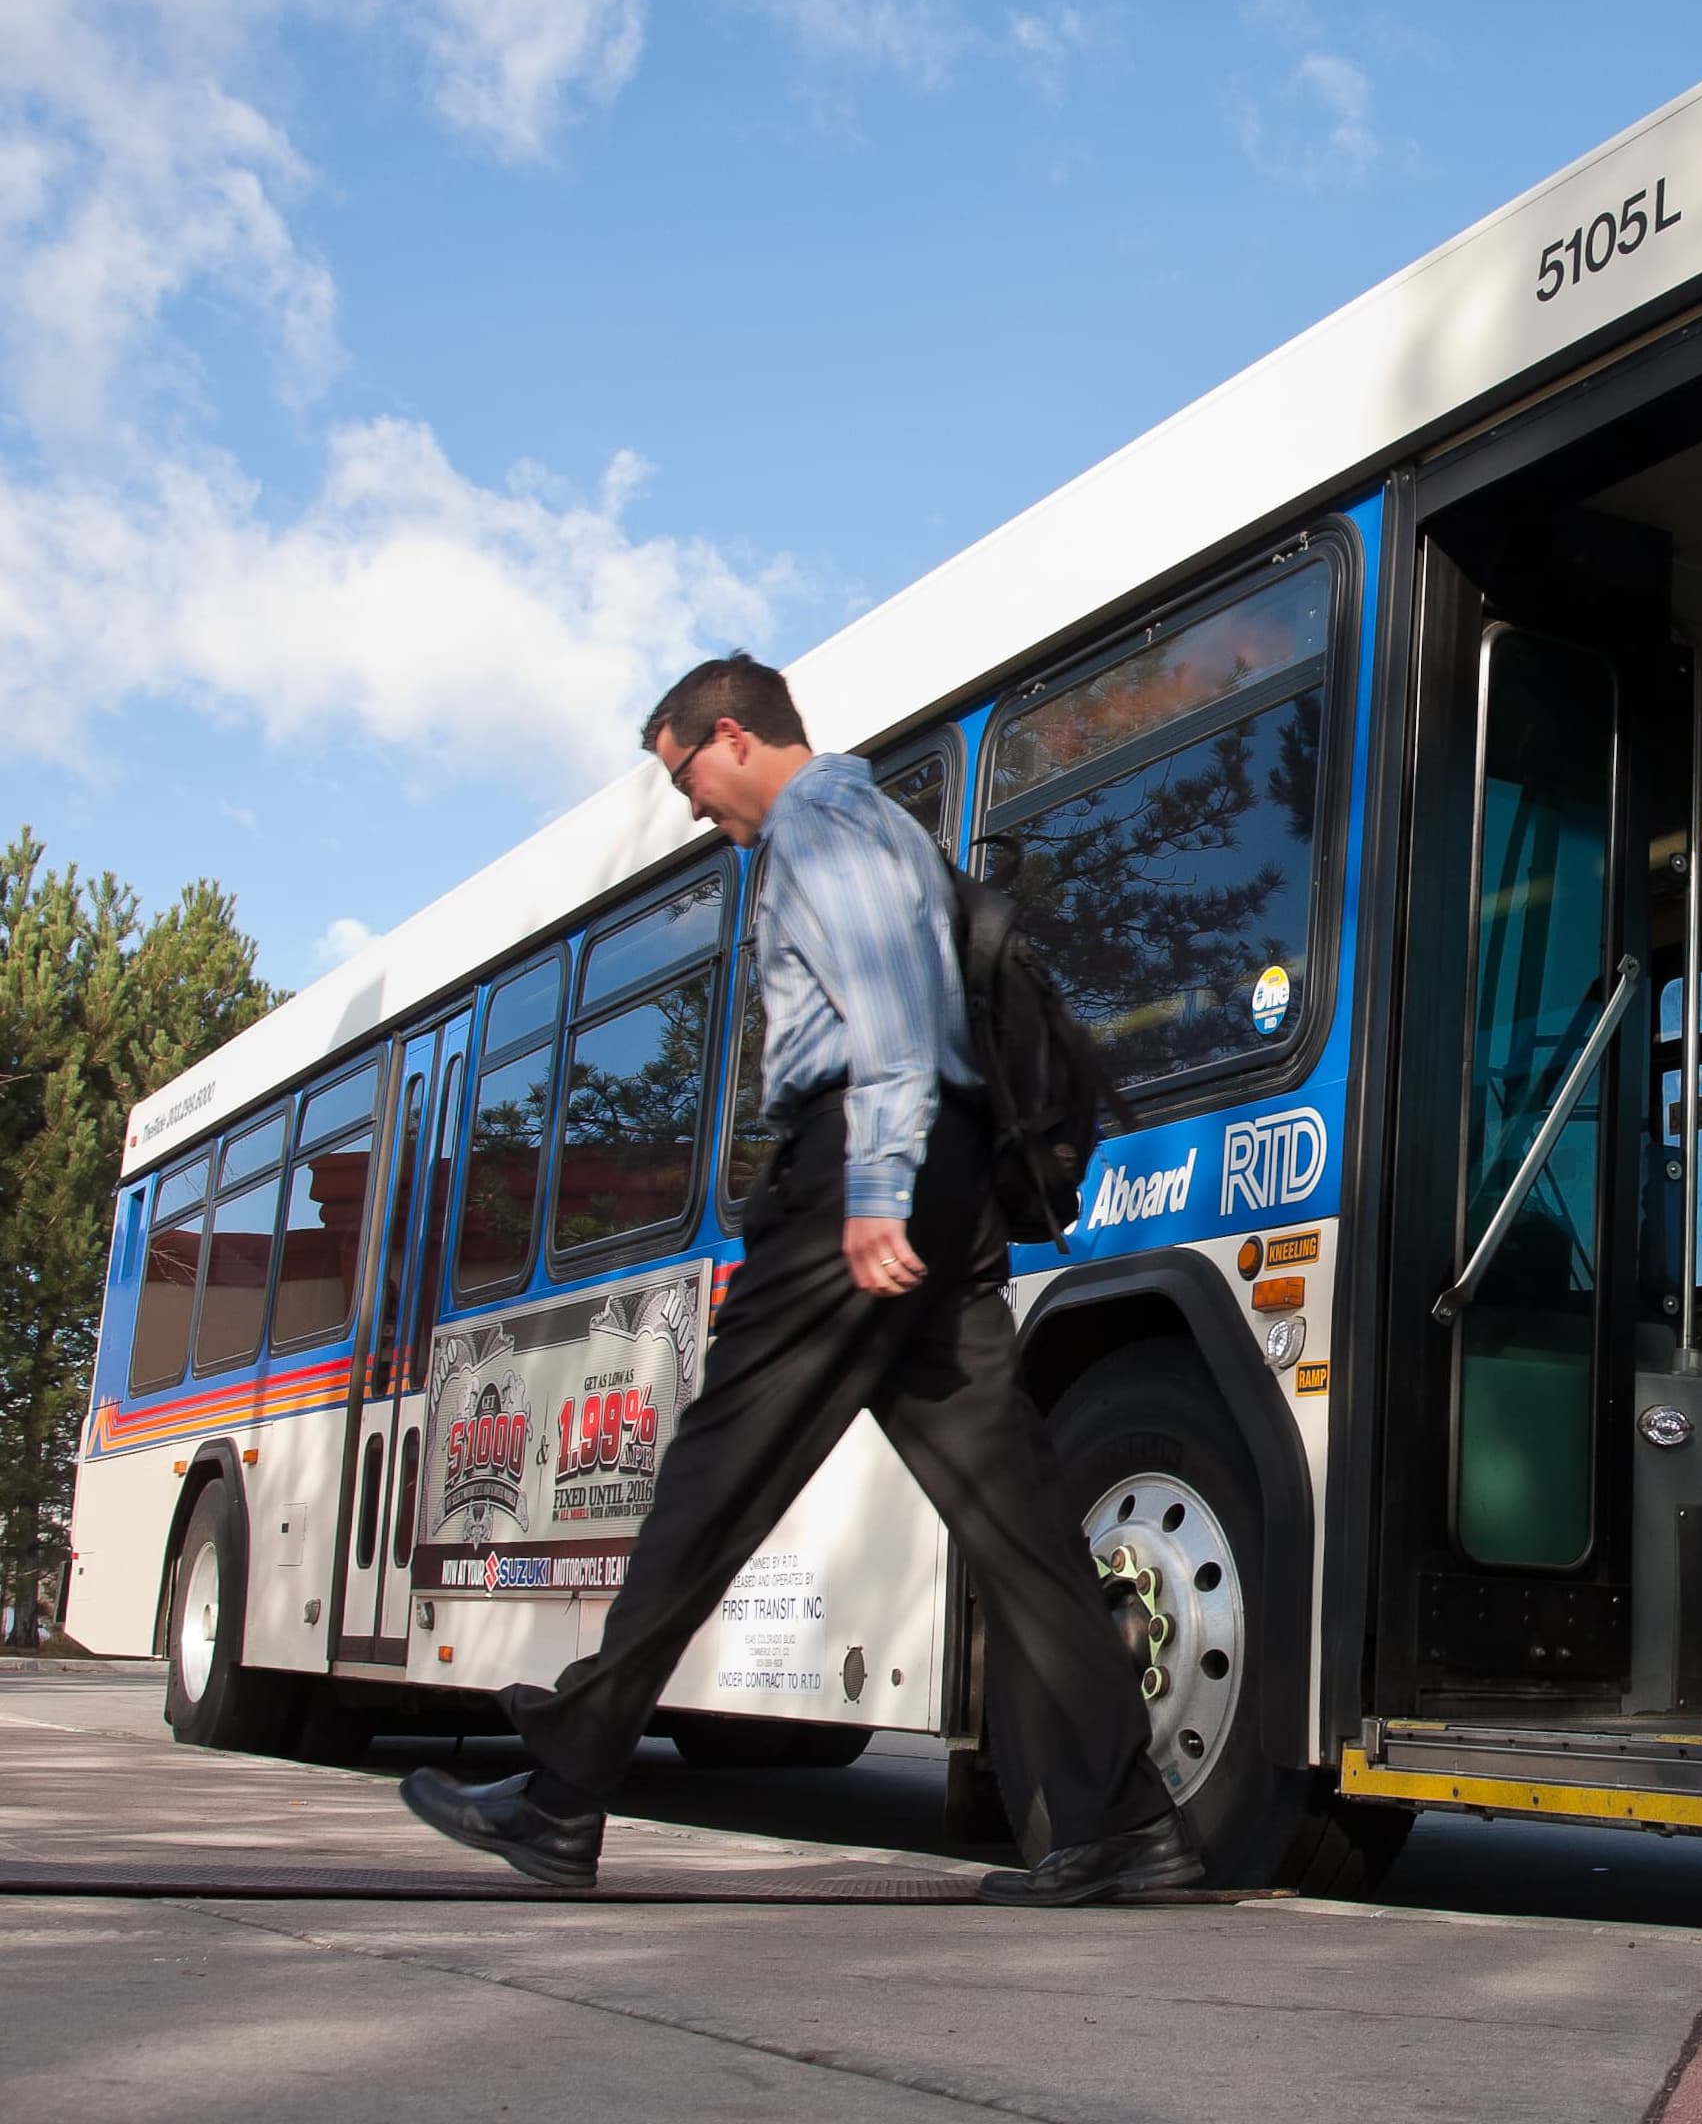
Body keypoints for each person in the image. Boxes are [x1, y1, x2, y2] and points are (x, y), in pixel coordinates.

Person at [402, 651, 1198, 1906]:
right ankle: (1124, 1823)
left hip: (860, 1173)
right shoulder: (868, 822)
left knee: (717, 1474)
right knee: (1022, 1528)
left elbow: (896, 1009)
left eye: (684, 777)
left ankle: (563, 1792)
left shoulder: (823, 823)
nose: (692, 808)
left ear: (729, 735)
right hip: (937, 1176)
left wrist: (876, 1187)